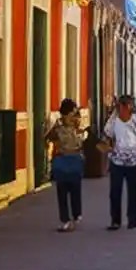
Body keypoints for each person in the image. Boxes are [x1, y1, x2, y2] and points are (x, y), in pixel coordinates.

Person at [103, 95, 136, 230]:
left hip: (134, 162)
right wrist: (107, 148)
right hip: (117, 161)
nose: (124, 109)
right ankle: (115, 220)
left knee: (132, 191)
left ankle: (132, 219)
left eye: (127, 106)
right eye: (122, 106)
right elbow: (107, 135)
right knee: (115, 191)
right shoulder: (113, 121)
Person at [45, 98, 86, 232]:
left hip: (75, 160)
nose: (74, 116)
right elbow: (48, 138)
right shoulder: (57, 127)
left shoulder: (77, 126)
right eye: (72, 113)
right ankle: (65, 220)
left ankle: (76, 215)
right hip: (62, 161)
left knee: (75, 190)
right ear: (65, 113)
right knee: (62, 191)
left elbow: (83, 138)